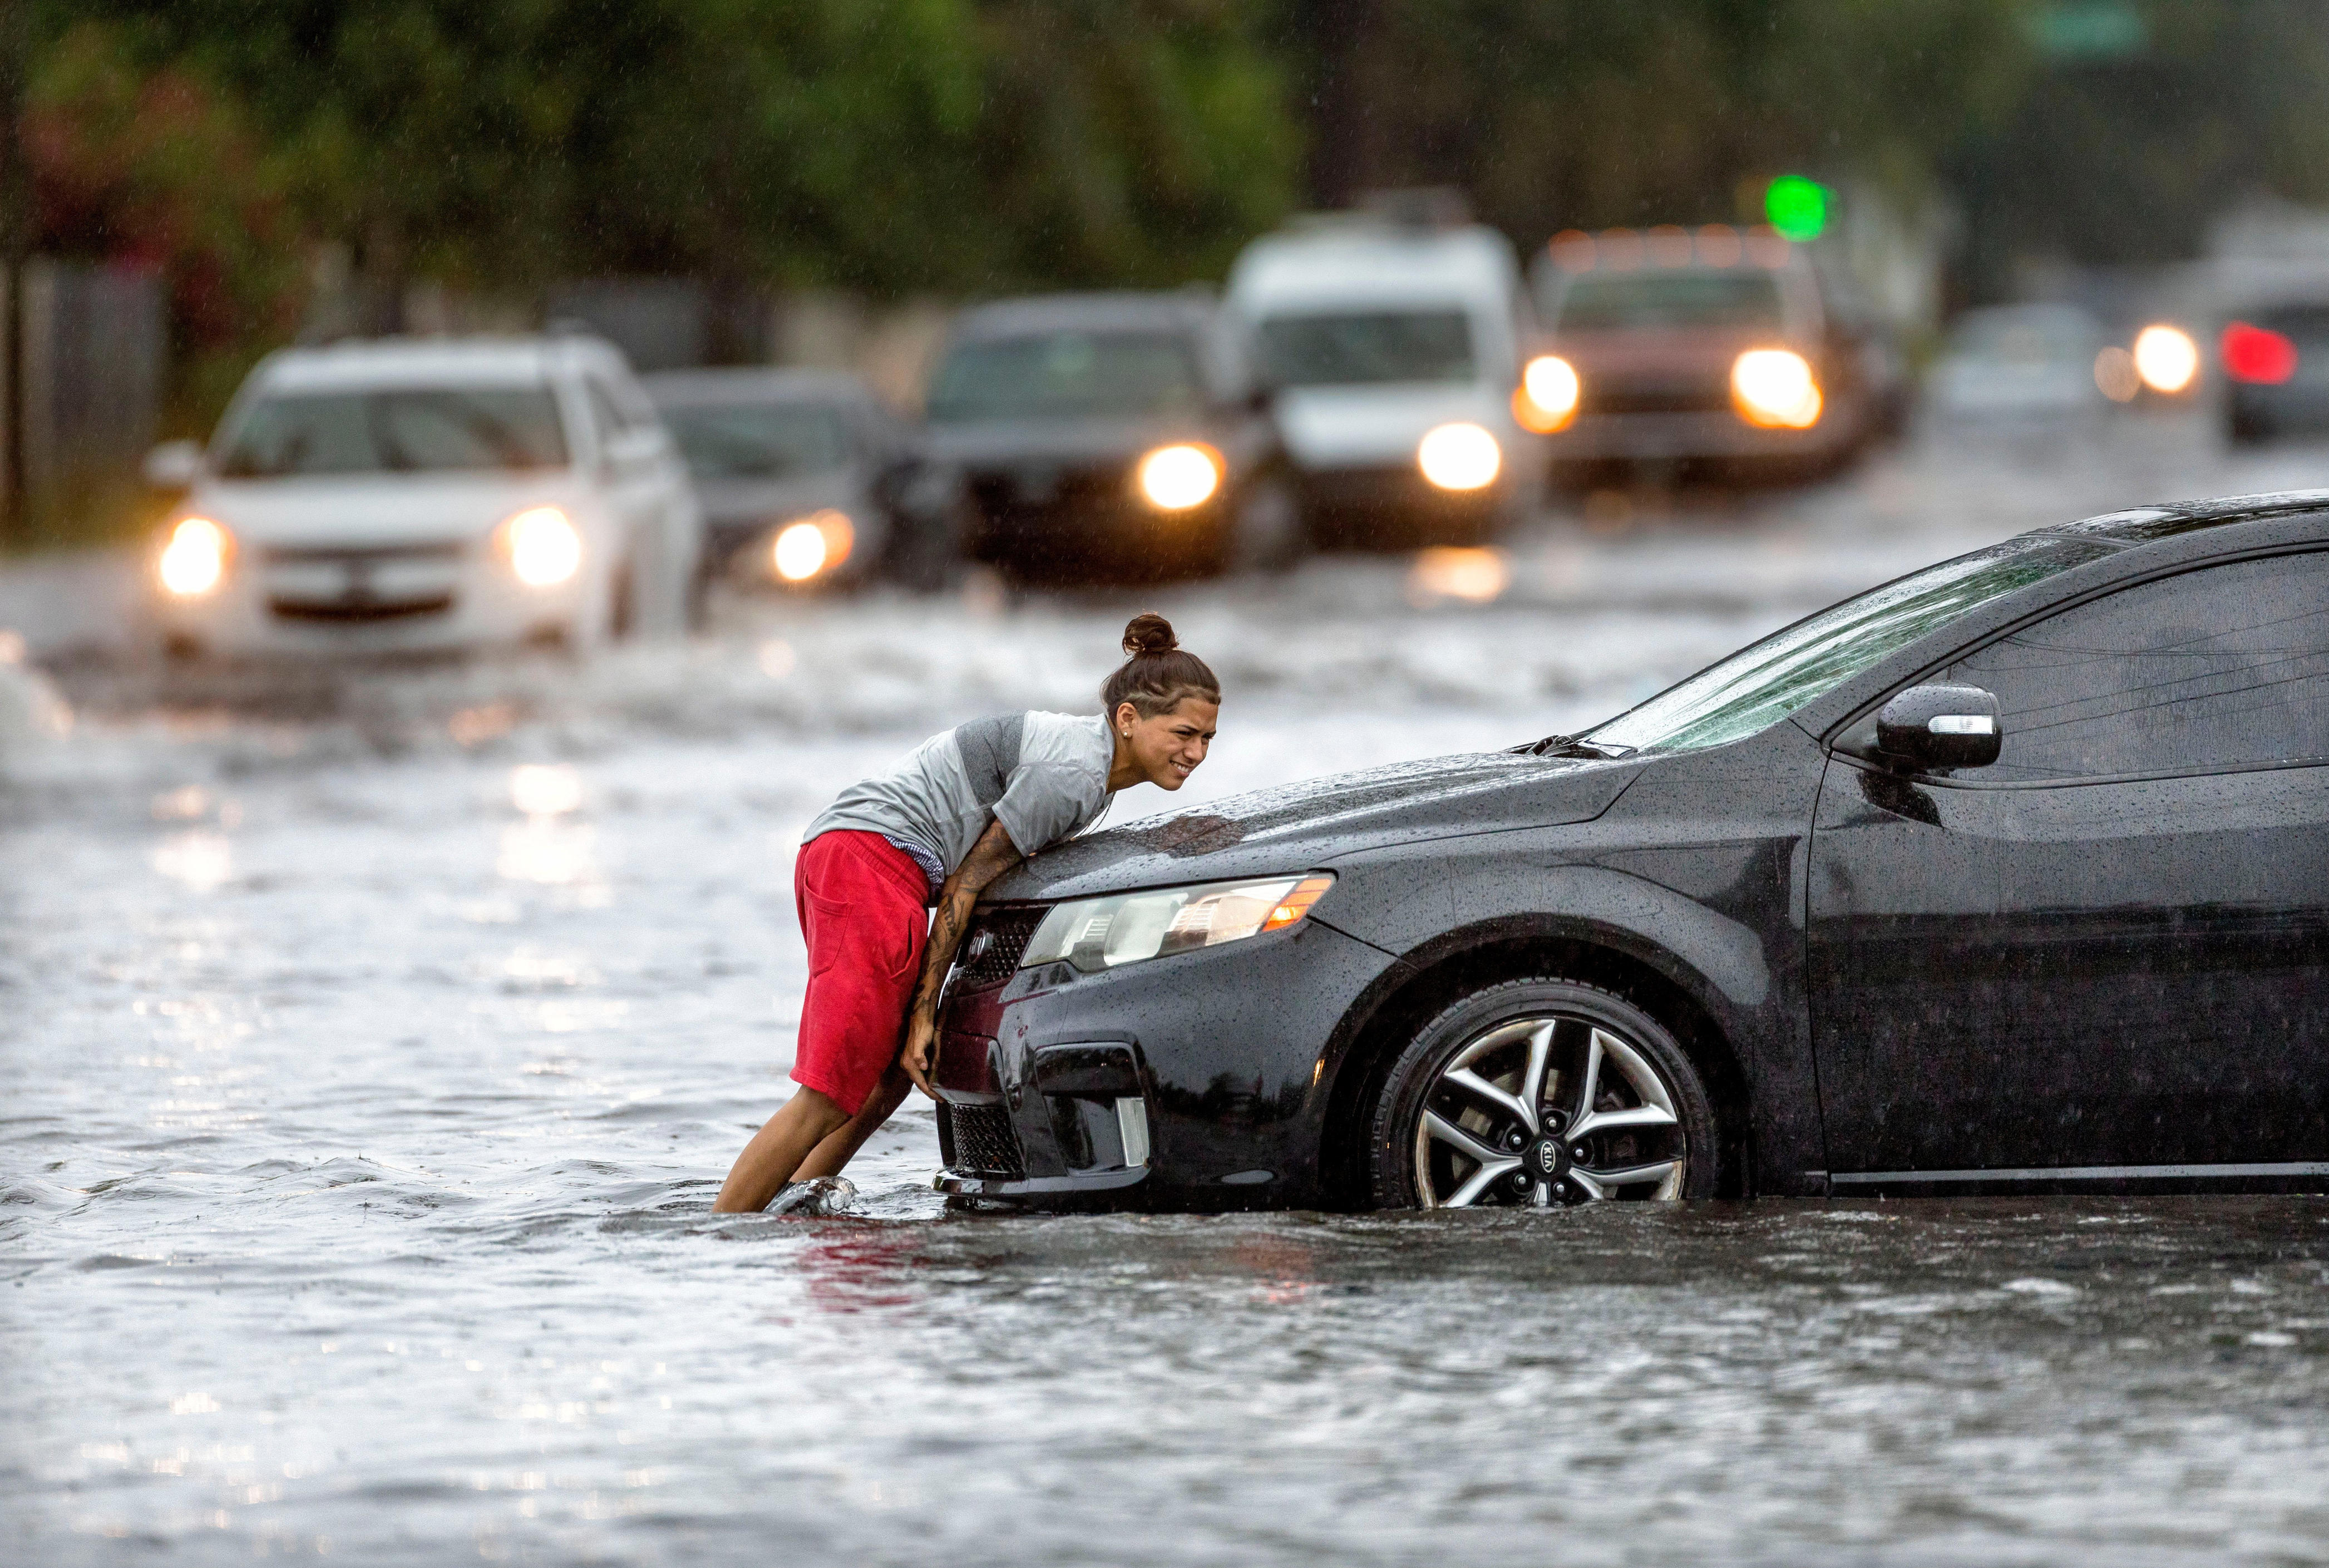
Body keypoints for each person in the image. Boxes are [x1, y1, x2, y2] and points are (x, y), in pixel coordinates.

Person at [712, 612, 1221, 1212]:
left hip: (862, 860)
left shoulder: (1093, 772)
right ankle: (722, 1237)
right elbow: (965, 884)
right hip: (868, 862)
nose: (1196, 753)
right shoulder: (1073, 774)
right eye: (1184, 733)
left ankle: (789, 1207)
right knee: (827, 1093)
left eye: (1208, 739)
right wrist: (925, 1014)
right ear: (1129, 719)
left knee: (890, 1080)